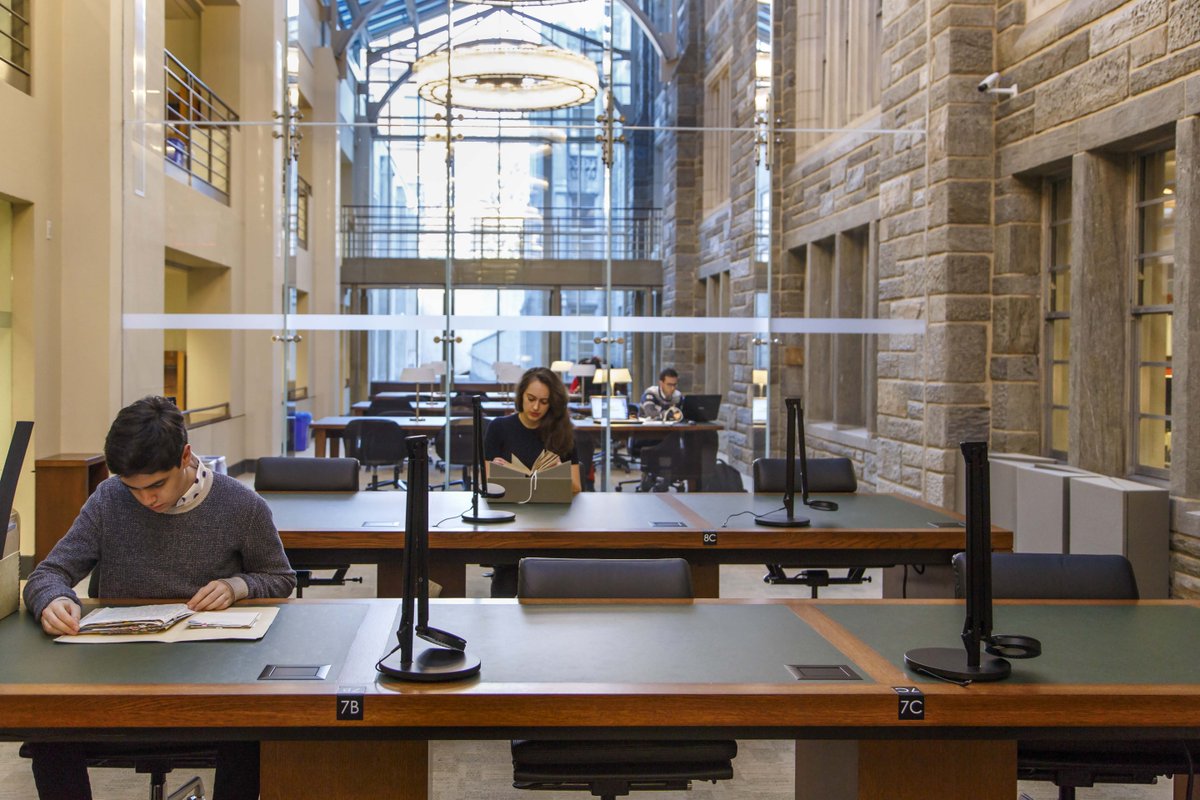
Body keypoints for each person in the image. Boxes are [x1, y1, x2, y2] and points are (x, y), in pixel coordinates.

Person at [22, 396, 296, 800]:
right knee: (47, 727)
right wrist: (51, 599)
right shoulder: (108, 500)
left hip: (209, 686)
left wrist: (238, 586)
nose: (147, 499)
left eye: (156, 485)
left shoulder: (242, 506)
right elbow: (48, 573)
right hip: (117, 682)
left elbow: (279, 577)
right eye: (134, 489)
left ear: (185, 456)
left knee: (253, 728)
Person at [483, 367, 581, 596]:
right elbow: (487, 483)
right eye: (531, 399)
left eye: (544, 402)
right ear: (521, 397)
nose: (536, 407)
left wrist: (558, 473)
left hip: (551, 519)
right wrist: (502, 472)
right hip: (511, 519)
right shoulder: (499, 427)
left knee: (552, 583)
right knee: (506, 580)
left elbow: (577, 487)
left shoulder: (562, 431)